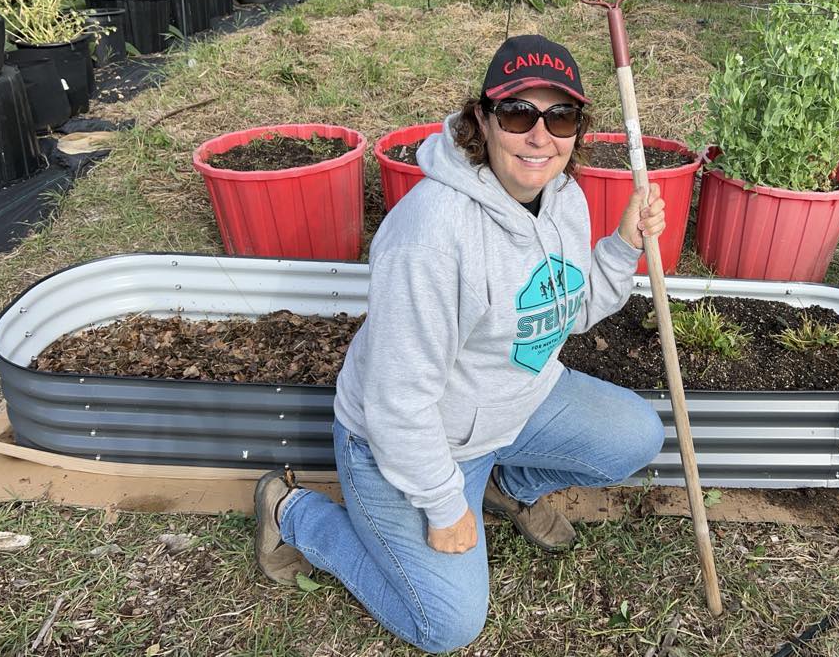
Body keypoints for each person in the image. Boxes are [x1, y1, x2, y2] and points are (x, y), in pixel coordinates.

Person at [253, 34, 668, 654]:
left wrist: (621, 246)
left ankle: (507, 487)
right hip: (409, 442)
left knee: (637, 435)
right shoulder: (430, 235)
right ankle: (292, 514)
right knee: (446, 625)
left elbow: (563, 313)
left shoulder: (564, 199)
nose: (540, 135)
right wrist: (447, 508)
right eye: (518, 113)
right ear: (481, 118)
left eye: (560, 116)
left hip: (513, 405)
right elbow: (399, 403)